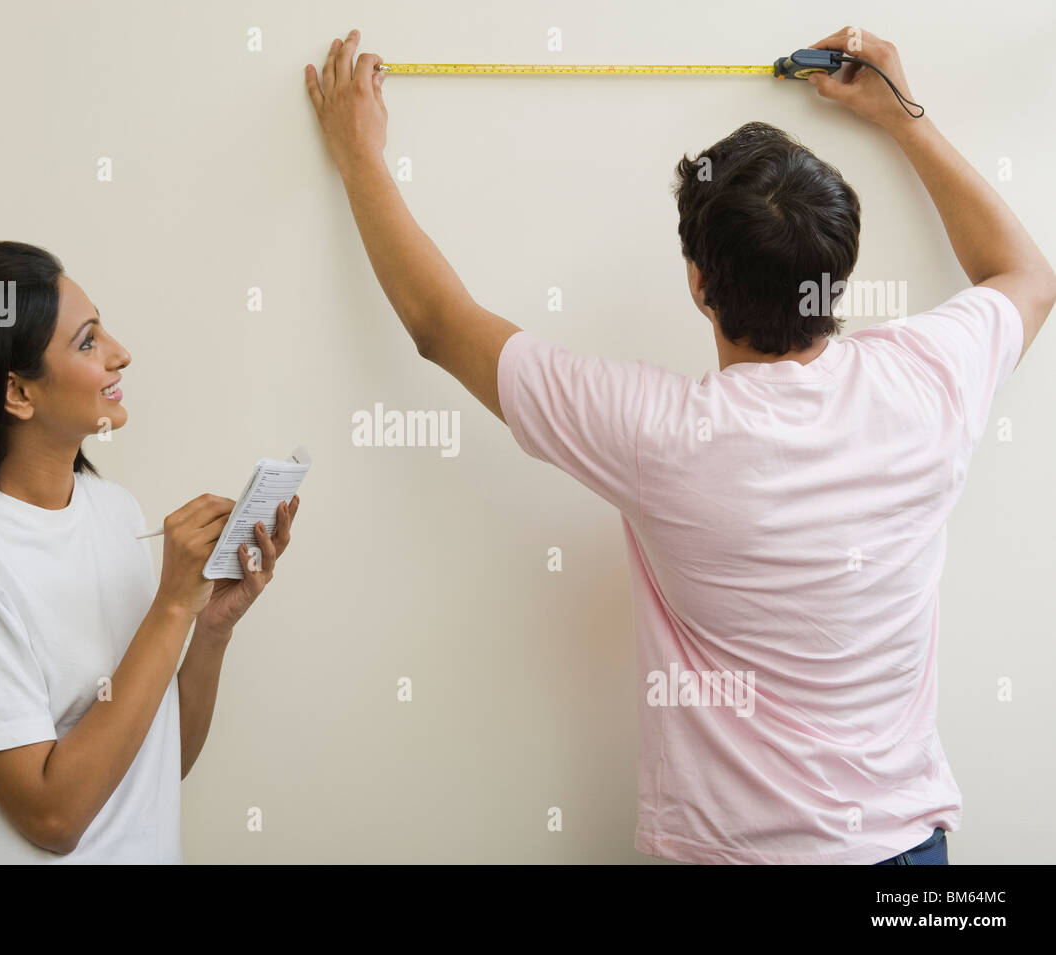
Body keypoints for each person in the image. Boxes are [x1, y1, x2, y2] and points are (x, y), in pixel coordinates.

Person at [304, 27, 1055, 863]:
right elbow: (1025, 277)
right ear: (835, 275)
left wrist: (358, 154)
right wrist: (903, 117)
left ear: (698, 283)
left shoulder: (657, 436)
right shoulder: (926, 385)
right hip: (908, 855)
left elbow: (440, 326)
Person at [0, 240, 299, 863]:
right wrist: (169, 608)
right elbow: (53, 817)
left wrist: (209, 626)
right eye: (88, 341)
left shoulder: (115, 513)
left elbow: (163, 763)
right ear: (18, 393)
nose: (121, 354)